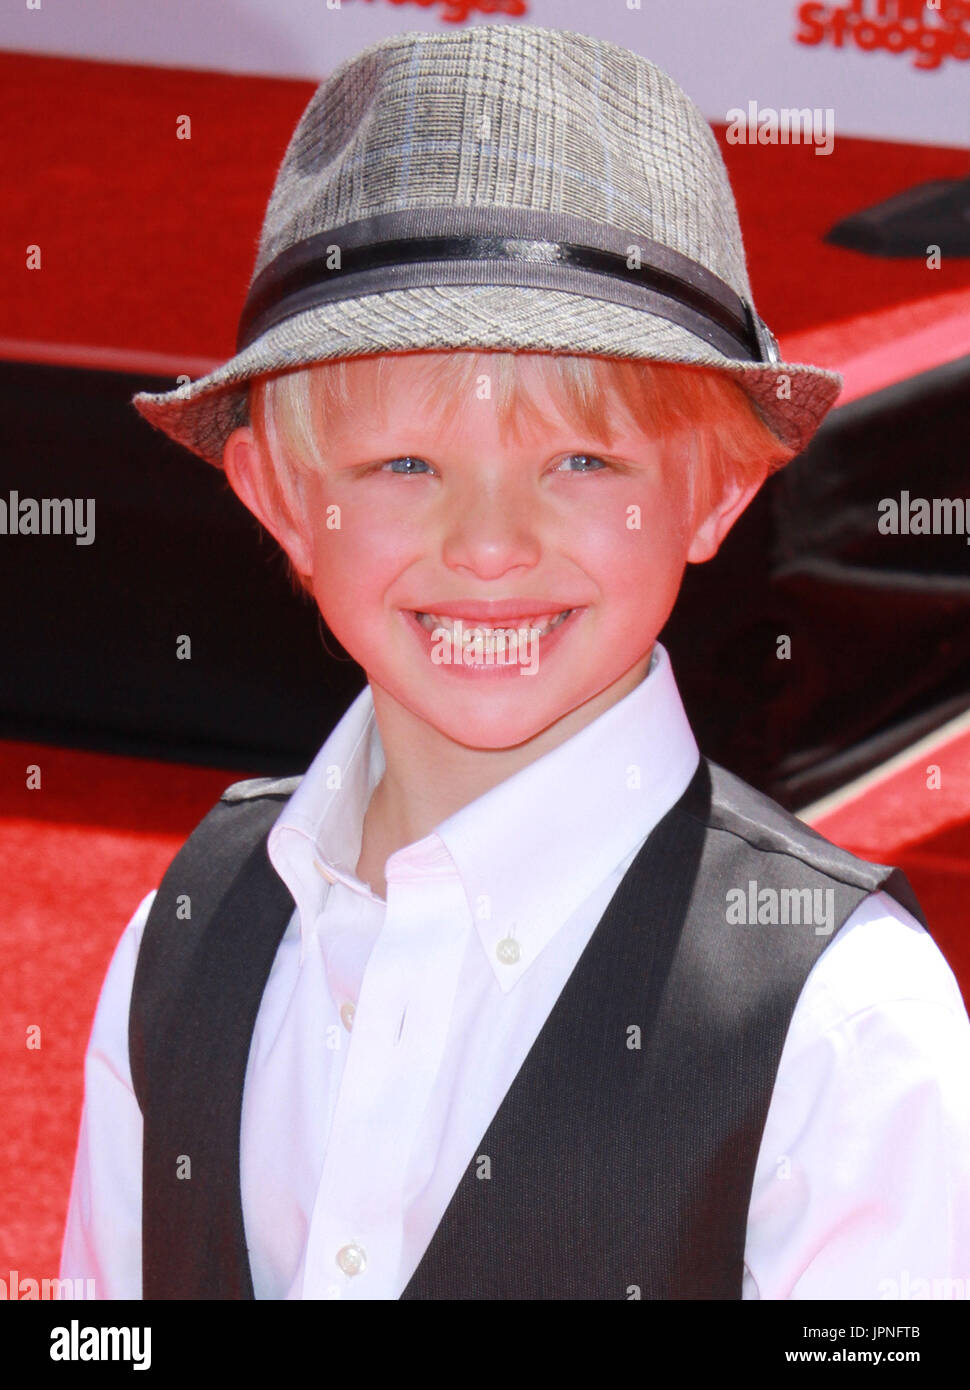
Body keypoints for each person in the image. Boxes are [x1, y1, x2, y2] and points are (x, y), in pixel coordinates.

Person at [61, 23, 970, 1300]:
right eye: (403, 465)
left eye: (582, 462)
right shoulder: (186, 930)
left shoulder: (848, 1025)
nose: (490, 545)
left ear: (717, 491)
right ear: (275, 495)